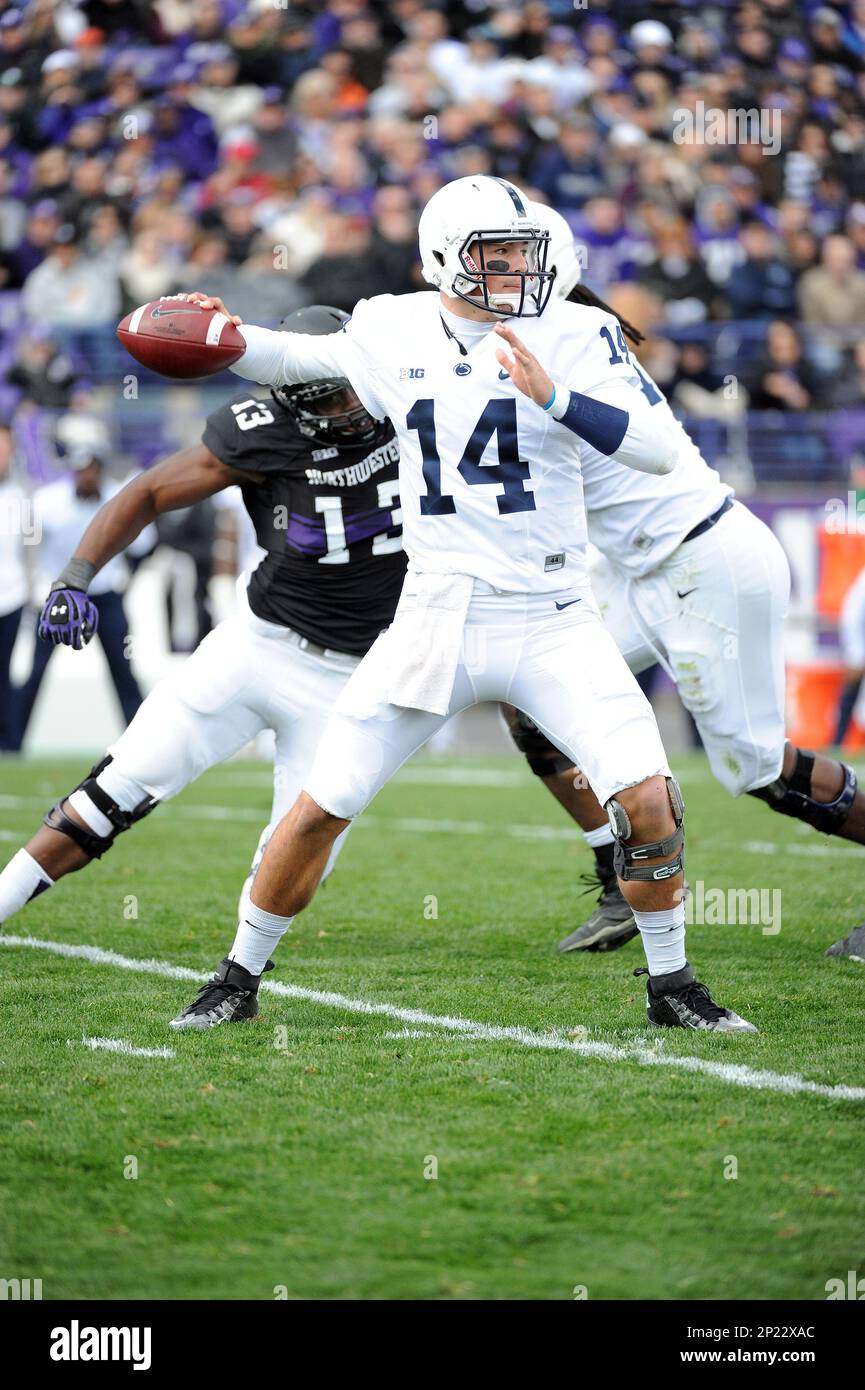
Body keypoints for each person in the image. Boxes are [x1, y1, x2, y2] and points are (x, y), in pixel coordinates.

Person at [175, 175, 756, 1035]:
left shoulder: (577, 331)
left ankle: (672, 988)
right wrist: (222, 337)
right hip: (436, 614)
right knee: (323, 804)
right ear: (446, 255)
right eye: (498, 253)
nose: (520, 269)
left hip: (556, 612)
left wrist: (555, 397)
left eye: (525, 250)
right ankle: (236, 976)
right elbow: (295, 361)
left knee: (647, 801)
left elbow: (661, 451)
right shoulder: (388, 323)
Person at [0, 309, 407, 1014]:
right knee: (115, 788)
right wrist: (74, 574)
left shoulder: (416, 396)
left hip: (355, 678)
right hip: (257, 647)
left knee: (301, 844)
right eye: (323, 399)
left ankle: (237, 983)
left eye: (347, 390)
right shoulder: (260, 429)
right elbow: (150, 491)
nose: (346, 411)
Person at [498, 204, 865, 961]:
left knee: (756, 768)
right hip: (638, 567)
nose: (495, 274)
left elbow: (648, 447)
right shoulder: (538, 331)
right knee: (529, 690)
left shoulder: (564, 338)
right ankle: (617, 873)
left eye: (509, 258)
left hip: (700, 558)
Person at [14, 420, 151, 748]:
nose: (85, 475)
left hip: (105, 594)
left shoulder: (120, 499)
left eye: (91, 468)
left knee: (123, 669)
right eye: (80, 469)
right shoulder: (49, 501)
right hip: (59, 596)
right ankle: (10, 743)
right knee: (35, 672)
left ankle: (143, 743)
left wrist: (123, 581)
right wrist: (37, 586)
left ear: (101, 468)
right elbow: (25, 546)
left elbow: (144, 546)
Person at [0, 424, 27, 750]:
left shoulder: (21, 496)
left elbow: (30, 549)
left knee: (5, 674)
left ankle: (8, 742)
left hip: (11, 596)